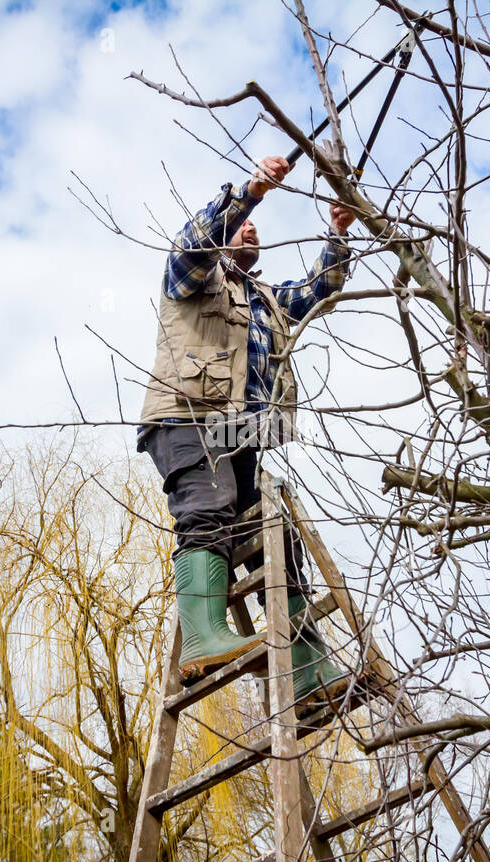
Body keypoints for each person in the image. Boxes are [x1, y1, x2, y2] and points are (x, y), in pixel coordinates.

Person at [137, 155, 356, 709]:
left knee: (271, 533)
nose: (254, 229)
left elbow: (319, 290)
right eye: (243, 226)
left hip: (240, 438)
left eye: (255, 224)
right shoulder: (194, 280)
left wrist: (337, 232)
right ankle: (203, 638)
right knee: (208, 507)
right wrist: (250, 191)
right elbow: (191, 245)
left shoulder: (264, 300)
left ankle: (307, 670)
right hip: (184, 421)